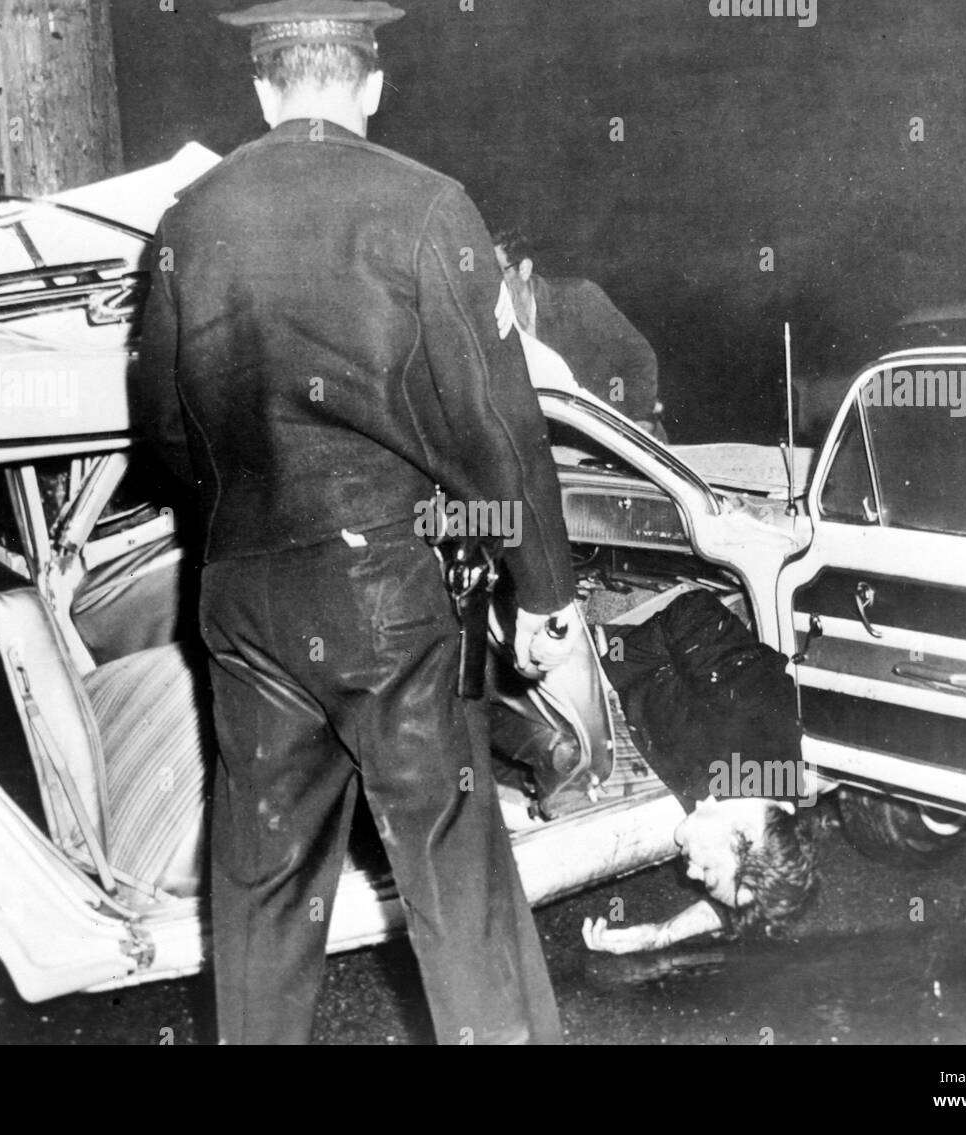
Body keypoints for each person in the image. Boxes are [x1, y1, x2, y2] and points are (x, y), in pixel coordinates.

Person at [132, 0, 578, 1045]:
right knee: (453, 874)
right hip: (385, 592)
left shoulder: (188, 217)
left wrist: (245, 507)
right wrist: (545, 591)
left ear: (261, 88)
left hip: (241, 590)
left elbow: (161, 433)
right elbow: (496, 427)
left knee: (261, 886)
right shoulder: (425, 206)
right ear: (371, 84)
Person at [580, 590, 818, 953]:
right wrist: (602, 674)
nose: (691, 874)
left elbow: (738, 909)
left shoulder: (770, 821)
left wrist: (663, 933)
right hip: (613, 653)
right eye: (708, 872)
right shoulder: (752, 713)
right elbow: (695, 611)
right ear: (746, 834)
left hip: (630, 705)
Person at [492, 228, 668, 441]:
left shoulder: (578, 299)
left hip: (624, 436)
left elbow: (639, 357)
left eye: (498, 271)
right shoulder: (495, 327)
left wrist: (641, 420)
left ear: (524, 269)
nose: (490, 284)